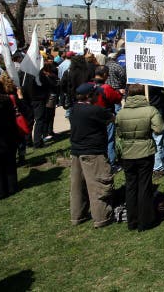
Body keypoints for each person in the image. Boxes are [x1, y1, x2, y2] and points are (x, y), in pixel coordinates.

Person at [115, 83, 164, 231]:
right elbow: (159, 128)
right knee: (144, 185)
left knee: (131, 186)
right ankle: (146, 220)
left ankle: (132, 220)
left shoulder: (121, 113)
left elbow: (119, 132)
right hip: (144, 151)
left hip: (128, 152)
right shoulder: (150, 110)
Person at [69, 83, 114, 227]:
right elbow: (112, 118)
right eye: (96, 94)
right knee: (98, 186)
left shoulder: (74, 109)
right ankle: (102, 217)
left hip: (76, 152)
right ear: (89, 96)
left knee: (77, 187)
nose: (98, 96)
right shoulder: (94, 110)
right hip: (93, 152)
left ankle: (77, 215)